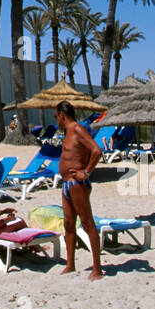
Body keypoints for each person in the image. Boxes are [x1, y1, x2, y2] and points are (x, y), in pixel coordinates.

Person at [55, 101, 104, 281]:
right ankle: (70, 264)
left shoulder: (77, 129)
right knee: (68, 223)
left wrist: (86, 172)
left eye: (56, 116)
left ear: (62, 115)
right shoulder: (68, 132)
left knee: (87, 223)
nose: (57, 120)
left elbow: (96, 151)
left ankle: (97, 269)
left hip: (77, 184)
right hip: (66, 183)